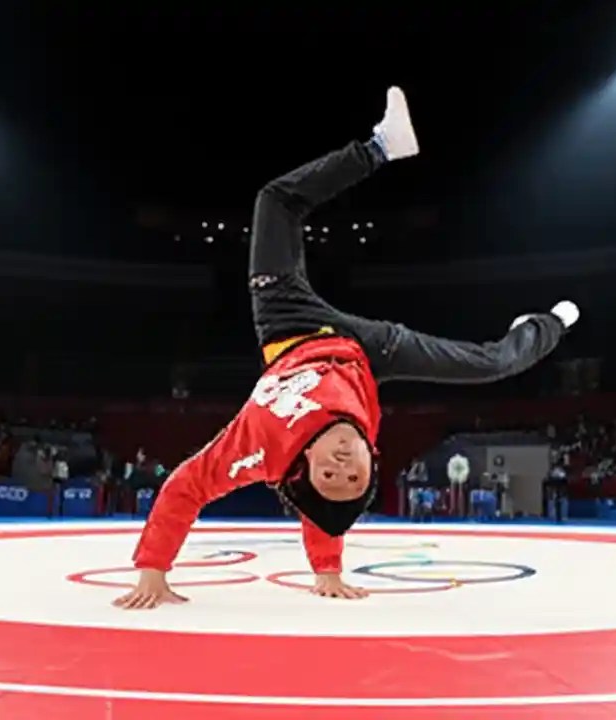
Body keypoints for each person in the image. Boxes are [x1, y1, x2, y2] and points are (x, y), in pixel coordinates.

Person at [114, 87, 578, 609]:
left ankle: (381, 146)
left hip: (290, 329)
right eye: (352, 474)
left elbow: (187, 484)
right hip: (369, 353)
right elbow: (326, 503)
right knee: (491, 363)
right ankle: (546, 326)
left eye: (328, 473)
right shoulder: (339, 465)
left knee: (275, 201)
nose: (340, 463)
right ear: (370, 460)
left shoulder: (261, 449)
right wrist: (331, 567)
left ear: (304, 462)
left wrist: (152, 569)